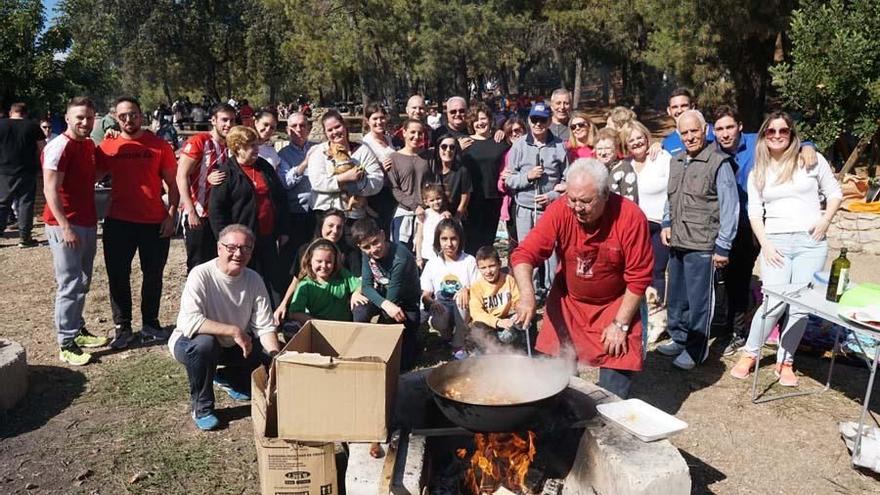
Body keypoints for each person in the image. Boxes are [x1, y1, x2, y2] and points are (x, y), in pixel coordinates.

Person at [512, 159, 653, 399]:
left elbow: (639, 277)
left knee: (612, 393)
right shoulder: (560, 210)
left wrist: (620, 325)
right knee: (557, 385)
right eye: (572, 199)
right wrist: (527, 295)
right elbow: (525, 254)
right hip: (570, 303)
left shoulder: (630, 217)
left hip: (615, 305)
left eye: (586, 201)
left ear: (605, 194)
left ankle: (608, 425)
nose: (577, 208)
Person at [729, 112, 842, 386]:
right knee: (774, 302)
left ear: (792, 134)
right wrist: (765, 244)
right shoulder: (759, 171)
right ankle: (750, 353)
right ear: (764, 136)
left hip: (810, 242)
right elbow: (754, 212)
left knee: (801, 307)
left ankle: (786, 360)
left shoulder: (811, 161)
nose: (777, 135)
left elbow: (835, 192)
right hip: (776, 242)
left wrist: (825, 221)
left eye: (784, 131)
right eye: (771, 131)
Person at [171, 224, 282, 430]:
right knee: (205, 345)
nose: (238, 253)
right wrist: (234, 330)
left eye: (245, 248)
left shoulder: (254, 279)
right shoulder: (201, 274)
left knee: (273, 352)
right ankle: (202, 406)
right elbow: (189, 323)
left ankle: (226, 377)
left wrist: (275, 356)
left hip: (234, 345)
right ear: (219, 248)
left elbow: (265, 326)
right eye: (231, 247)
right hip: (191, 342)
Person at [95, 96, 179, 349]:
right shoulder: (109, 146)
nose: (128, 120)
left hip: (154, 221)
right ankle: (123, 327)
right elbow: (92, 174)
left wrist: (172, 214)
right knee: (118, 276)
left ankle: (150, 324)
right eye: (123, 116)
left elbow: (173, 183)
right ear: (115, 119)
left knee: (153, 275)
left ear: (141, 115)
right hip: (118, 221)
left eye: (133, 114)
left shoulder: (158, 145)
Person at [658, 110, 739, 370]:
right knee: (677, 297)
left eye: (695, 131)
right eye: (684, 132)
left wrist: (723, 245)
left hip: (703, 244)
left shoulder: (719, 162)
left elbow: (730, 208)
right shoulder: (676, 160)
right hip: (678, 241)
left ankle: (696, 350)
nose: (690, 137)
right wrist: (667, 222)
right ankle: (679, 337)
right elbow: (671, 196)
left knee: (699, 302)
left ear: (705, 131)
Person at [43, 97, 109, 365]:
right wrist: (65, 226)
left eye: (90, 118)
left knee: (82, 279)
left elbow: (94, 174)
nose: (85, 122)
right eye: (80, 117)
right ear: (67, 118)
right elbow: (49, 189)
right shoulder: (59, 146)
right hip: (65, 224)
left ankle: (77, 328)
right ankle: (66, 341)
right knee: (69, 282)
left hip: (86, 220)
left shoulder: (88, 144)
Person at [209, 126, 289, 306]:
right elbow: (217, 210)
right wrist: (226, 241)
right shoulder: (225, 172)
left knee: (273, 278)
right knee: (245, 280)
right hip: (242, 241)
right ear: (237, 148)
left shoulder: (264, 166)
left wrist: (283, 229)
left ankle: (276, 316)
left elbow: (280, 198)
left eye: (256, 145)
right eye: (251, 146)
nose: (256, 149)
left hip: (268, 235)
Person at [504, 102, 568, 300]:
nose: (538, 124)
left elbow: (567, 179)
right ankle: (528, 293)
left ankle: (552, 292)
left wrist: (553, 196)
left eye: (542, 120)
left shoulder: (559, 146)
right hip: (523, 208)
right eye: (534, 119)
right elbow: (509, 179)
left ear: (549, 121)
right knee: (527, 250)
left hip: (549, 209)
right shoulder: (519, 145)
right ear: (529, 120)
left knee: (550, 252)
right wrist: (528, 177)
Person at [351, 217, 421, 371]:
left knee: (403, 363)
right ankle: (361, 346)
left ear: (383, 235)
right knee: (360, 309)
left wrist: (386, 307)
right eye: (366, 247)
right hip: (383, 296)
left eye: (376, 242)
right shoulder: (367, 253)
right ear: (360, 247)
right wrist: (360, 293)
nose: (373, 249)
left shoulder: (400, 258)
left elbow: (393, 298)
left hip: (405, 301)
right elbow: (367, 286)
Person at [616, 121, 671, 305]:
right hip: (636, 226)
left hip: (660, 224)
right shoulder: (625, 165)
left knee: (657, 270)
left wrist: (668, 221)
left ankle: (658, 313)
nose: (637, 142)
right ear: (626, 144)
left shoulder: (661, 157)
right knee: (636, 270)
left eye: (640, 137)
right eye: (631, 140)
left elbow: (674, 189)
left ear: (647, 138)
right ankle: (638, 310)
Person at [274, 209, 362, 325]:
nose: (335, 231)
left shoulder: (350, 252)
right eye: (330, 226)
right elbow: (297, 279)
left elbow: (358, 280)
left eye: (339, 227)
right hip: (311, 307)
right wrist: (283, 304)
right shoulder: (305, 250)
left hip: (341, 304)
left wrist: (356, 293)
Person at [176, 103, 236, 272]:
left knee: (220, 263)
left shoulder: (230, 145)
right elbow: (181, 175)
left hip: (221, 214)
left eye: (232, 120)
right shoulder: (199, 141)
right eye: (224, 120)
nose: (228, 124)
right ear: (213, 120)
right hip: (199, 212)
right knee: (198, 264)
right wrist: (191, 211)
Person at [308, 110, 384, 223]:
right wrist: (344, 178)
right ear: (325, 133)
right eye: (330, 130)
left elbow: (378, 180)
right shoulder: (319, 152)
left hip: (354, 215)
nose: (335, 132)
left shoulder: (362, 150)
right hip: (325, 213)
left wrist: (359, 184)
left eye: (337, 126)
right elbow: (317, 182)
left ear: (344, 126)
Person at [420, 218, 479, 360]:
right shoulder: (433, 264)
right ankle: (446, 336)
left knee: (461, 300)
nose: (449, 244)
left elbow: (479, 287)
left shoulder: (469, 261)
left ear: (460, 240)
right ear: (438, 240)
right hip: (443, 307)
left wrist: (467, 289)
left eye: (453, 239)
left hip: (463, 308)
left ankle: (458, 345)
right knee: (440, 317)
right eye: (444, 239)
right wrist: (432, 302)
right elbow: (426, 293)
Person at [461, 103, 509, 255]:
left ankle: (485, 273)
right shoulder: (465, 143)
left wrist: (502, 132)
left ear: (490, 120)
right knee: (470, 242)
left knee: (488, 242)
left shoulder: (500, 141)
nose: (480, 123)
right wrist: (457, 148)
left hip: (493, 199)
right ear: (470, 123)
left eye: (483, 118)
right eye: (476, 120)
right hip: (471, 200)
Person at [286, 238, 368, 325]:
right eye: (319, 261)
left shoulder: (342, 275)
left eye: (328, 262)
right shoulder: (305, 284)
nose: (324, 266)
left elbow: (362, 284)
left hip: (343, 326)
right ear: (310, 261)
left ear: (335, 262)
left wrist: (356, 293)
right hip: (318, 327)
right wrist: (316, 322)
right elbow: (294, 313)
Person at [0, 102, 46, 247]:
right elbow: (42, 148)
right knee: (25, 203)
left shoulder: (1, 125)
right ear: (25, 113)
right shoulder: (32, 126)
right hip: (27, 170)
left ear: (10, 112)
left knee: (2, 203)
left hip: (4, 170)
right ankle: (25, 238)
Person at [277, 112, 316, 269]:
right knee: (295, 259)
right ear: (288, 130)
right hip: (296, 213)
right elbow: (286, 183)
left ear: (308, 128)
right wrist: (304, 164)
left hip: (318, 210)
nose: (298, 129)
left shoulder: (317, 148)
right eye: (294, 126)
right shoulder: (282, 155)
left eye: (302, 125)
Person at [468, 246, 522, 352]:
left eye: (492, 266)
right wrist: (497, 322)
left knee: (527, 317)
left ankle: (523, 350)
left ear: (500, 264)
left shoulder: (509, 280)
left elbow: (518, 300)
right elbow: (476, 313)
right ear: (478, 268)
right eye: (483, 268)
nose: (488, 271)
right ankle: (491, 353)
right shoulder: (477, 287)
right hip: (489, 323)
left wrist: (518, 314)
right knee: (478, 328)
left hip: (507, 319)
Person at [388, 119, 429, 249]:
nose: (416, 137)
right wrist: (414, 205)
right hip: (405, 212)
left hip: (426, 214)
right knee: (402, 254)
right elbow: (395, 189)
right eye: (412, 132)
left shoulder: (428, 156)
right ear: (404, 132)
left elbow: (435, 183)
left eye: (420, 133)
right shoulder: (394, 158)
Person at [360, 103, 399, 234]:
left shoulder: (389, 138)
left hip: (393, 190)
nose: (379, 122)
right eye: (375, 119)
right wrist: (380, 169)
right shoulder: (365, 144)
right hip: (378, 194)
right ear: (367, 121)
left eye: (382, 118)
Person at [424, 134, 472, 220]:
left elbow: (465, 195)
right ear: (438, 149)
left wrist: (457, 216)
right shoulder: (431, 169)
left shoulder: (462, 171)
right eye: (444, 147)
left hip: (455, 215)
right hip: (434, 214)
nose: (448, 150)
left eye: (452, 147)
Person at [497, 116, 527, 251]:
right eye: (510, 132)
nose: (514, 134)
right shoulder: (505, 154)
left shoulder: (531, 150)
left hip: (530, 201)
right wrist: (503, 180)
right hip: (512, 203)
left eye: (517, 130)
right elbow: (499, 185)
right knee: (514, 244)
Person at [661, 88, 715, 156]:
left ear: (692, 107)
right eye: (675, 107)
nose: (679, 110)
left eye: (684, 106)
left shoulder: (713, 131)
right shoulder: (667, 143)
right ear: (669, 111)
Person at [414, 183, 450, 267]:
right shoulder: (424, 215)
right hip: (427, 256)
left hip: (443, 256)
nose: (436, 202)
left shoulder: (446, 216)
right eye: (432, 200)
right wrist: (418, 257)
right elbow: (419, 237)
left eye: (438, 199)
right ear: (426, 202)